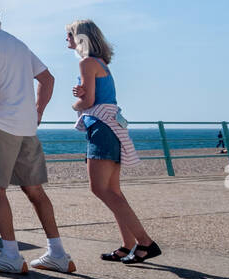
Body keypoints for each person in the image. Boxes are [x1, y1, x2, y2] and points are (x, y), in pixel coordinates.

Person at [0, 1, 75, 274]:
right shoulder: (17, 44)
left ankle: (11, 254)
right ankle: (57, 252)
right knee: (35, 191)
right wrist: (37, 113)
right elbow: (48, 79)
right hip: (26, 128)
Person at [67, 19, 160, 264]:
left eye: (69, 35)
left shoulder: (86, 62)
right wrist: (83, 96)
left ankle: (145, 242)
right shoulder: (101, 63)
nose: (66, 40)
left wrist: (75, 103)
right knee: (113, 190)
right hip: (111, 126)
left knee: (100, 188)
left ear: (80, 39)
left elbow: (88, 103)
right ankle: (129, 244)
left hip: (101, 127)